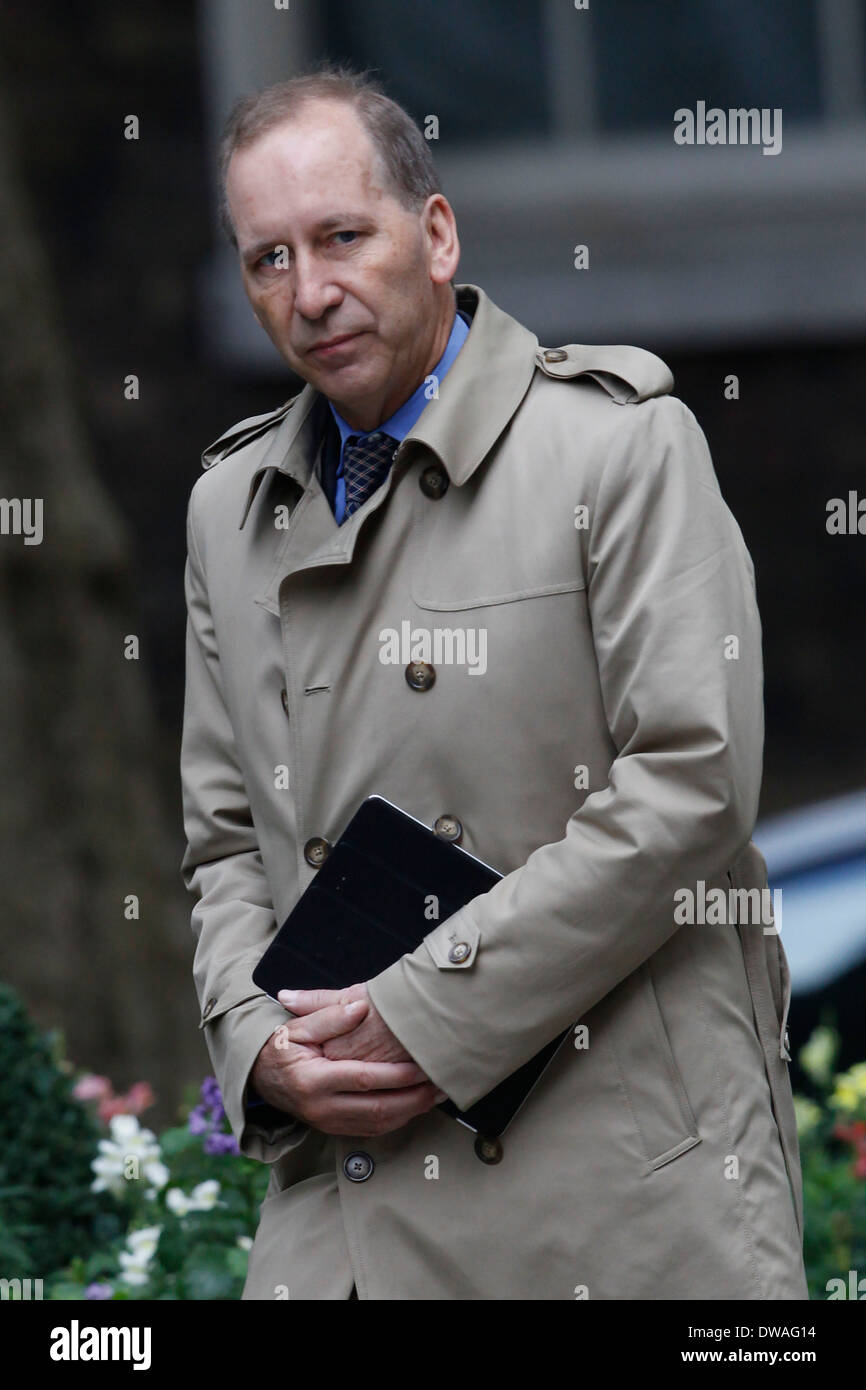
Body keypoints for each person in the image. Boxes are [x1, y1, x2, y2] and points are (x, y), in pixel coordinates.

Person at [180, 63, 809, 1300]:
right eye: (266, 260)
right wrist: (260, 1051)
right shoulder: (224, 509)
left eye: (341, 237)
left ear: (434, 232)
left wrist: (426, 1007)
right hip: (341, 1215)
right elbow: (220, 850)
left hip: (617, 1212)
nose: (309, 294)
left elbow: (692, 784)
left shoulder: (616, 446)